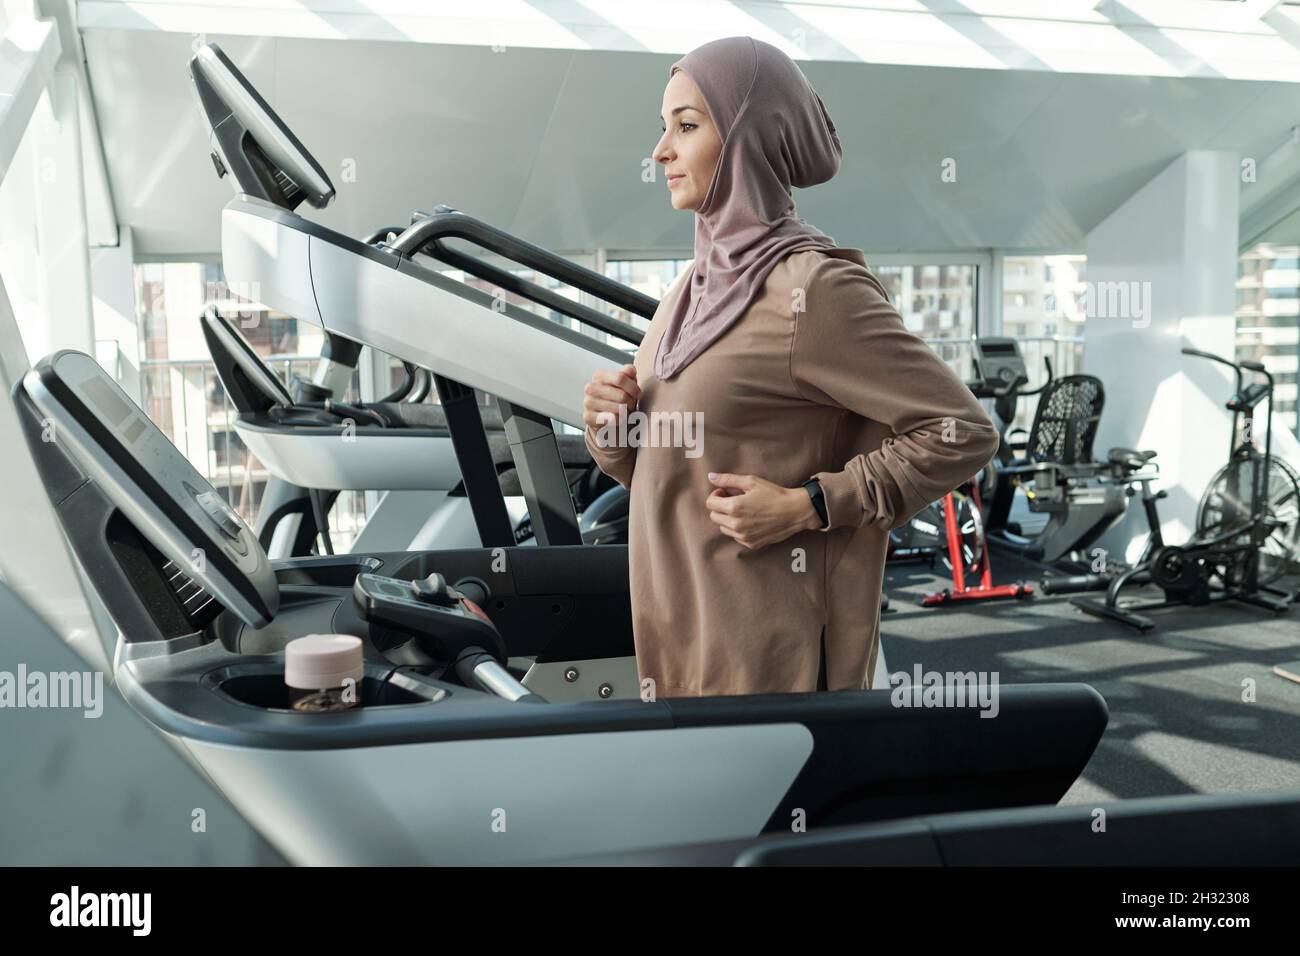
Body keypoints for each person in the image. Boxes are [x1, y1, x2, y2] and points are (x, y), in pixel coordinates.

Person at [582, 36, 1000, 698]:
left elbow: (963, 431)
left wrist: (813, 505)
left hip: (775, 667)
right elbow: (668, 471)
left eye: (686, 126)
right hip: (676, 644)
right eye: (663, 129)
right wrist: (613, 432)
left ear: (750, 136)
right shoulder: (686, 294)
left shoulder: (813, 289)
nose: (659, 151)